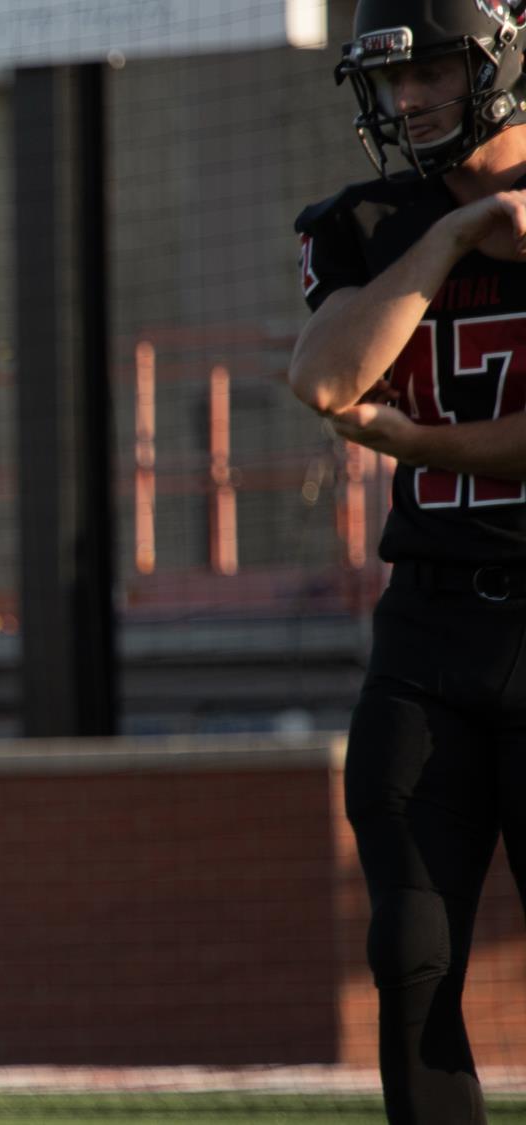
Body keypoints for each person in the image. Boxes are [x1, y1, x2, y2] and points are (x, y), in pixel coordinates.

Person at [290, 2, 526, 1121]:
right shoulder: (368, 220)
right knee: (409, 951)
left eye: (431, 67)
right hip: (427, 630)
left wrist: (424, 444)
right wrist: (445, 238)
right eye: (389, 80)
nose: (406, 99)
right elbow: (328, 383)